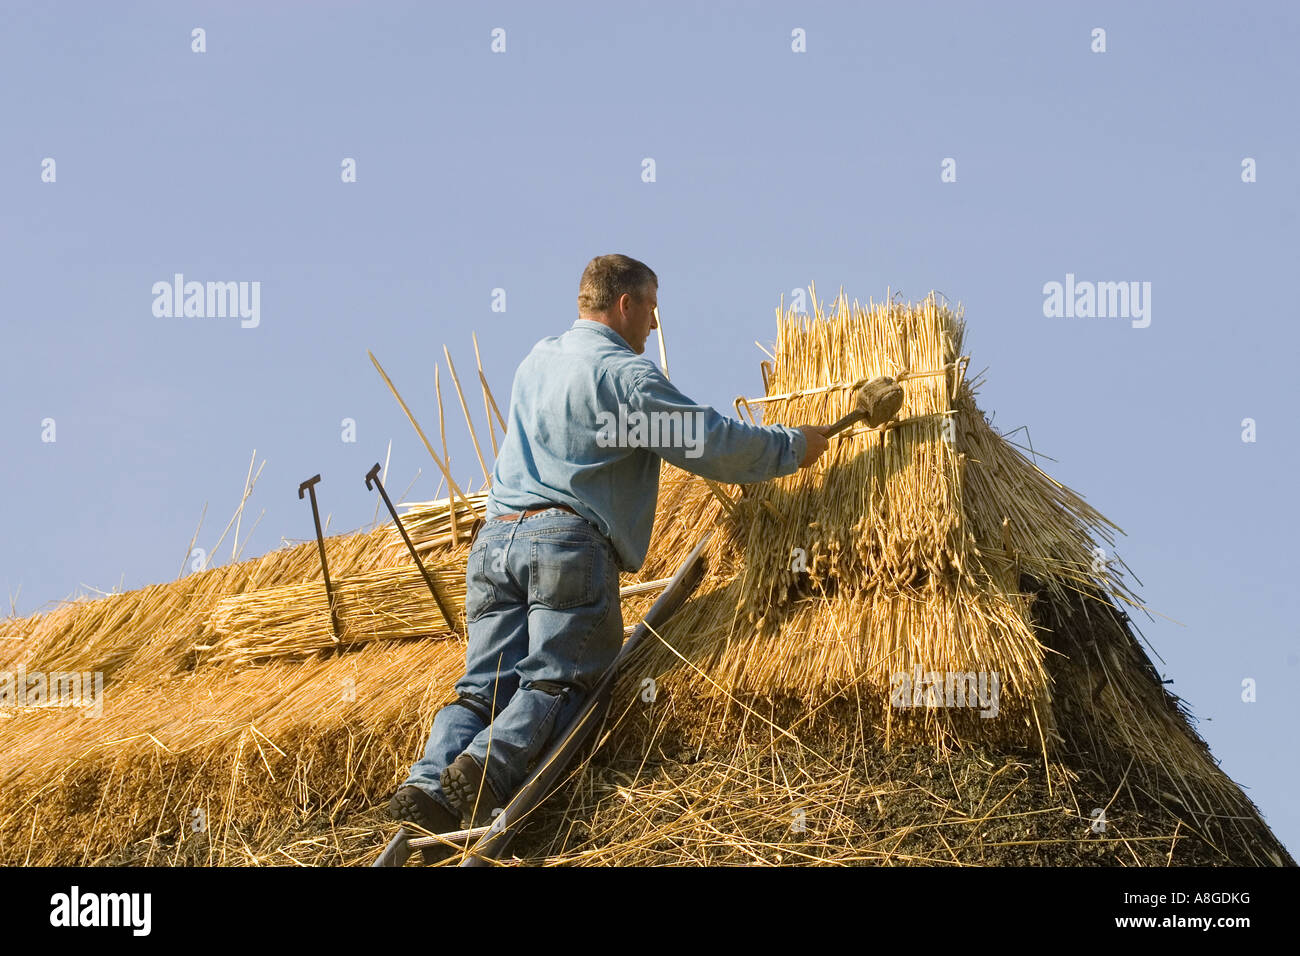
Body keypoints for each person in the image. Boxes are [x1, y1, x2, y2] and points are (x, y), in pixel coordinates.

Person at [388, 254, 829, 852]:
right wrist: (790, 447)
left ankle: (427, 783)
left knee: (480, 689)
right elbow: (707, 441)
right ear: (625, 304)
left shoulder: (536, 361)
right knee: (557, 680)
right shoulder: (625, 379)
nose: (652, 325)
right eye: (650, 308)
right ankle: (484, 770)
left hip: (493, 545)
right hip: (566, 543)